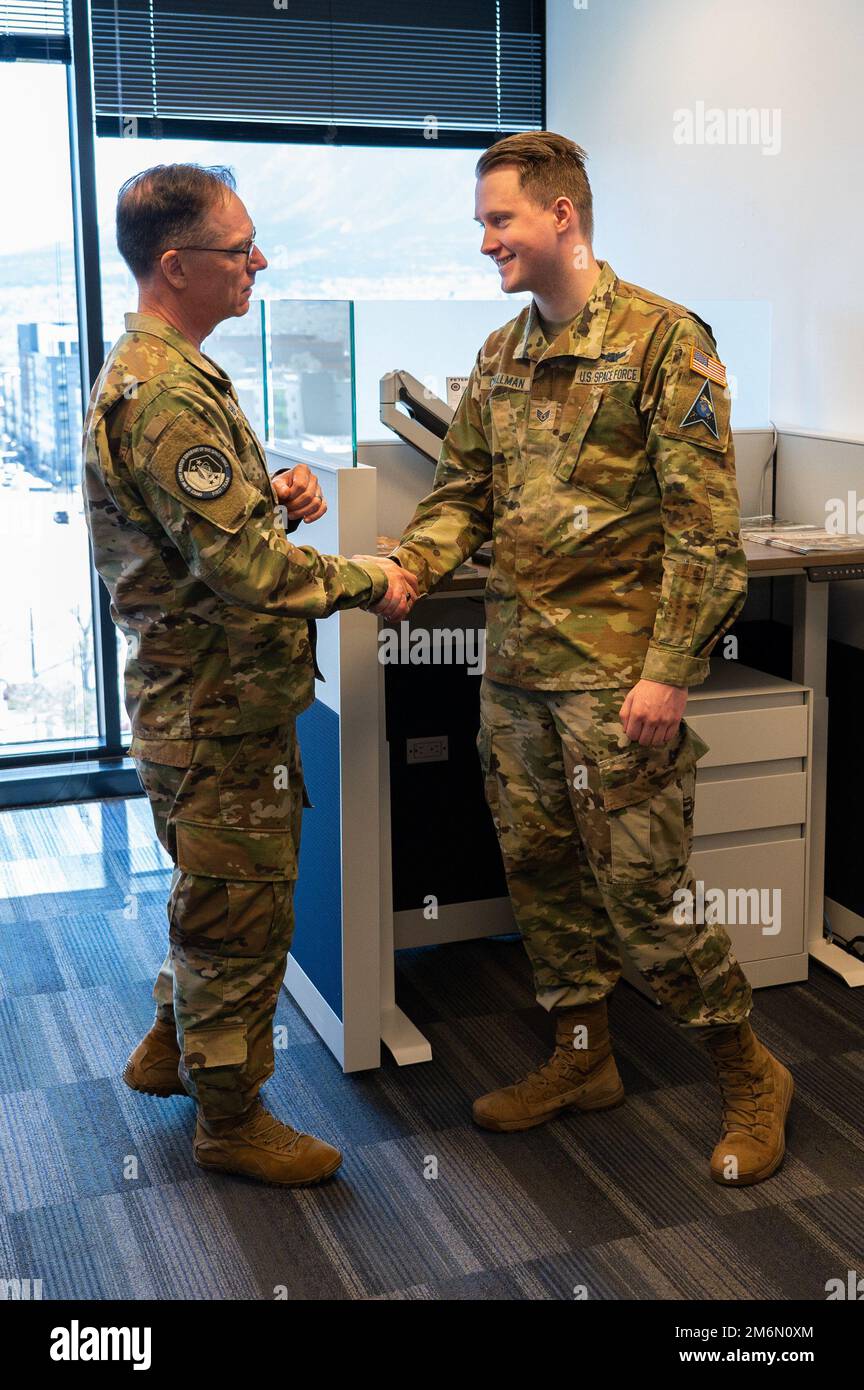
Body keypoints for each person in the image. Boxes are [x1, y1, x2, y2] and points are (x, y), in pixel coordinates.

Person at [388, 132, 793, 1187]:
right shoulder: (500, 356)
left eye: (499, 219)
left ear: (562, 215)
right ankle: (582, 1057)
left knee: (644, 903)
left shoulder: (665, 340)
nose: (485, 242)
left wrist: (668, 670)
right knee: (547, 883)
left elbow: (707, 532)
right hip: (517, 677)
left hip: (618, 685)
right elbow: (461, 499)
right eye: (482, 222)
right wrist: (403, 575)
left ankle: (751, 1071)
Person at [81, 163, 417, 1187]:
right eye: (240, 249)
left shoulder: (167, 370)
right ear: (176, 265)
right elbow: (246, 572)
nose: (257, 263)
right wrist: (373, 577)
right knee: (240, 920)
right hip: (215, 714)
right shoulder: (170, 391)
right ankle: (230, 1121)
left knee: (216, 895)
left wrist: (271, 489)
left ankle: (174, 1044)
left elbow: (204, 530)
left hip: (209, 702)